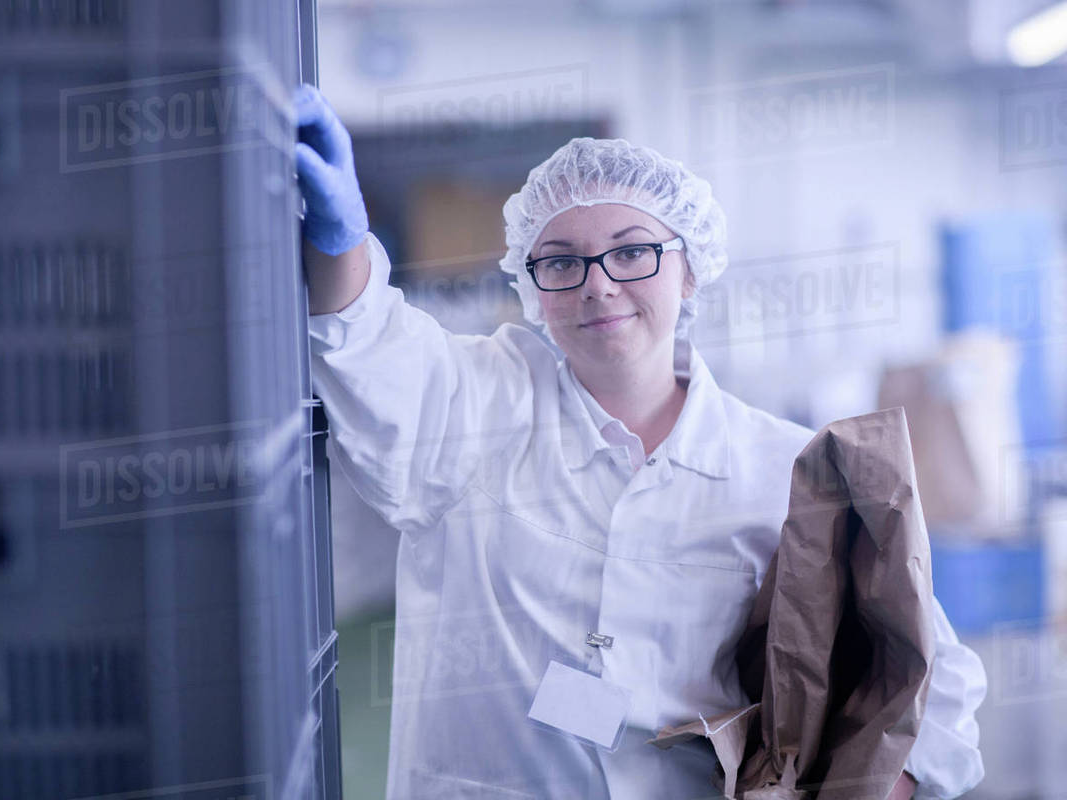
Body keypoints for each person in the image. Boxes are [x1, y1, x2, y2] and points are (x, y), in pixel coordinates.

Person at [295, 83, 986, 800]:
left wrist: (883, 784)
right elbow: (368, 339)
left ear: (689, 270)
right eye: (561, 262)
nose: (598, 286)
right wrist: (340, 243)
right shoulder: (479, 406)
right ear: (534, 289)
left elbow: (939, 674)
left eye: (632, 253)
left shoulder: (787, 469)